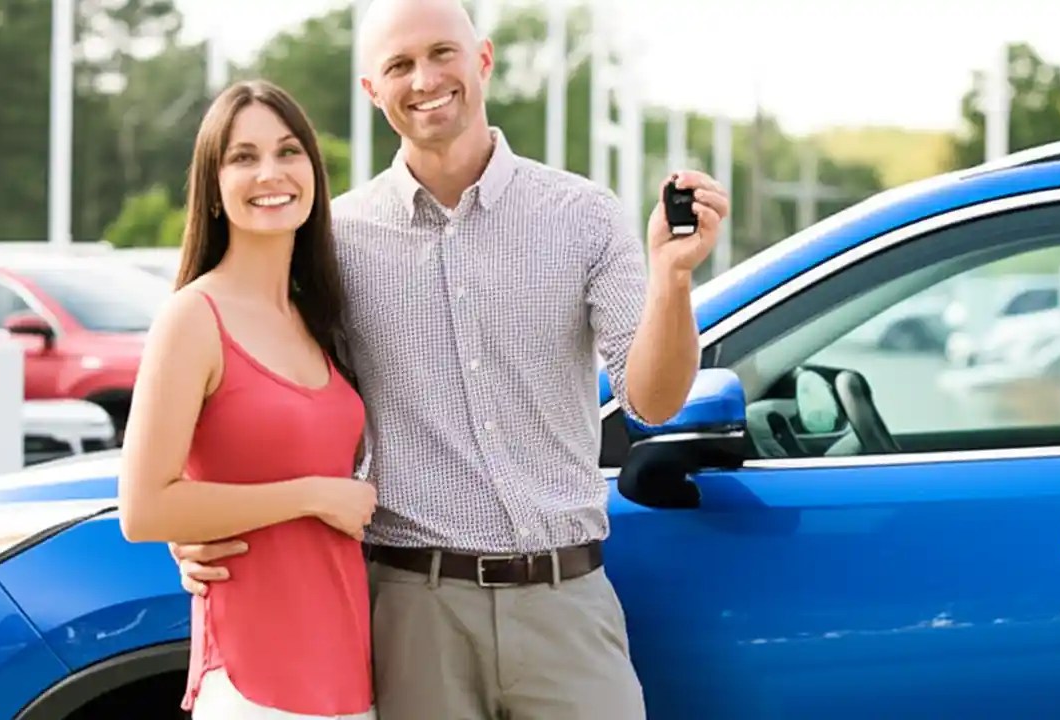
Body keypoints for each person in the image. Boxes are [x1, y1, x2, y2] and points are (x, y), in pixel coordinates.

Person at [172, 0, 731, 717]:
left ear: (484, 60)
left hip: (566, 610)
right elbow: (266, 404)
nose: (425, 78)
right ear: (373, 91)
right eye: (399, 65)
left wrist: (674, 278)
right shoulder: (332, 242)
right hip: (412, 615)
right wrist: (192, 528)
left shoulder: (583, 215)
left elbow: (654, 400)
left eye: (443, 53)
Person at [116, 79, 379, 720]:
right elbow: (144, 508)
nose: (271, 172)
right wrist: (314, 494)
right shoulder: (193, 318)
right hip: (254, 676)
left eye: (289, 151)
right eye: (243, 156)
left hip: (346, 669)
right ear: (212, 187)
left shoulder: (316, 315)